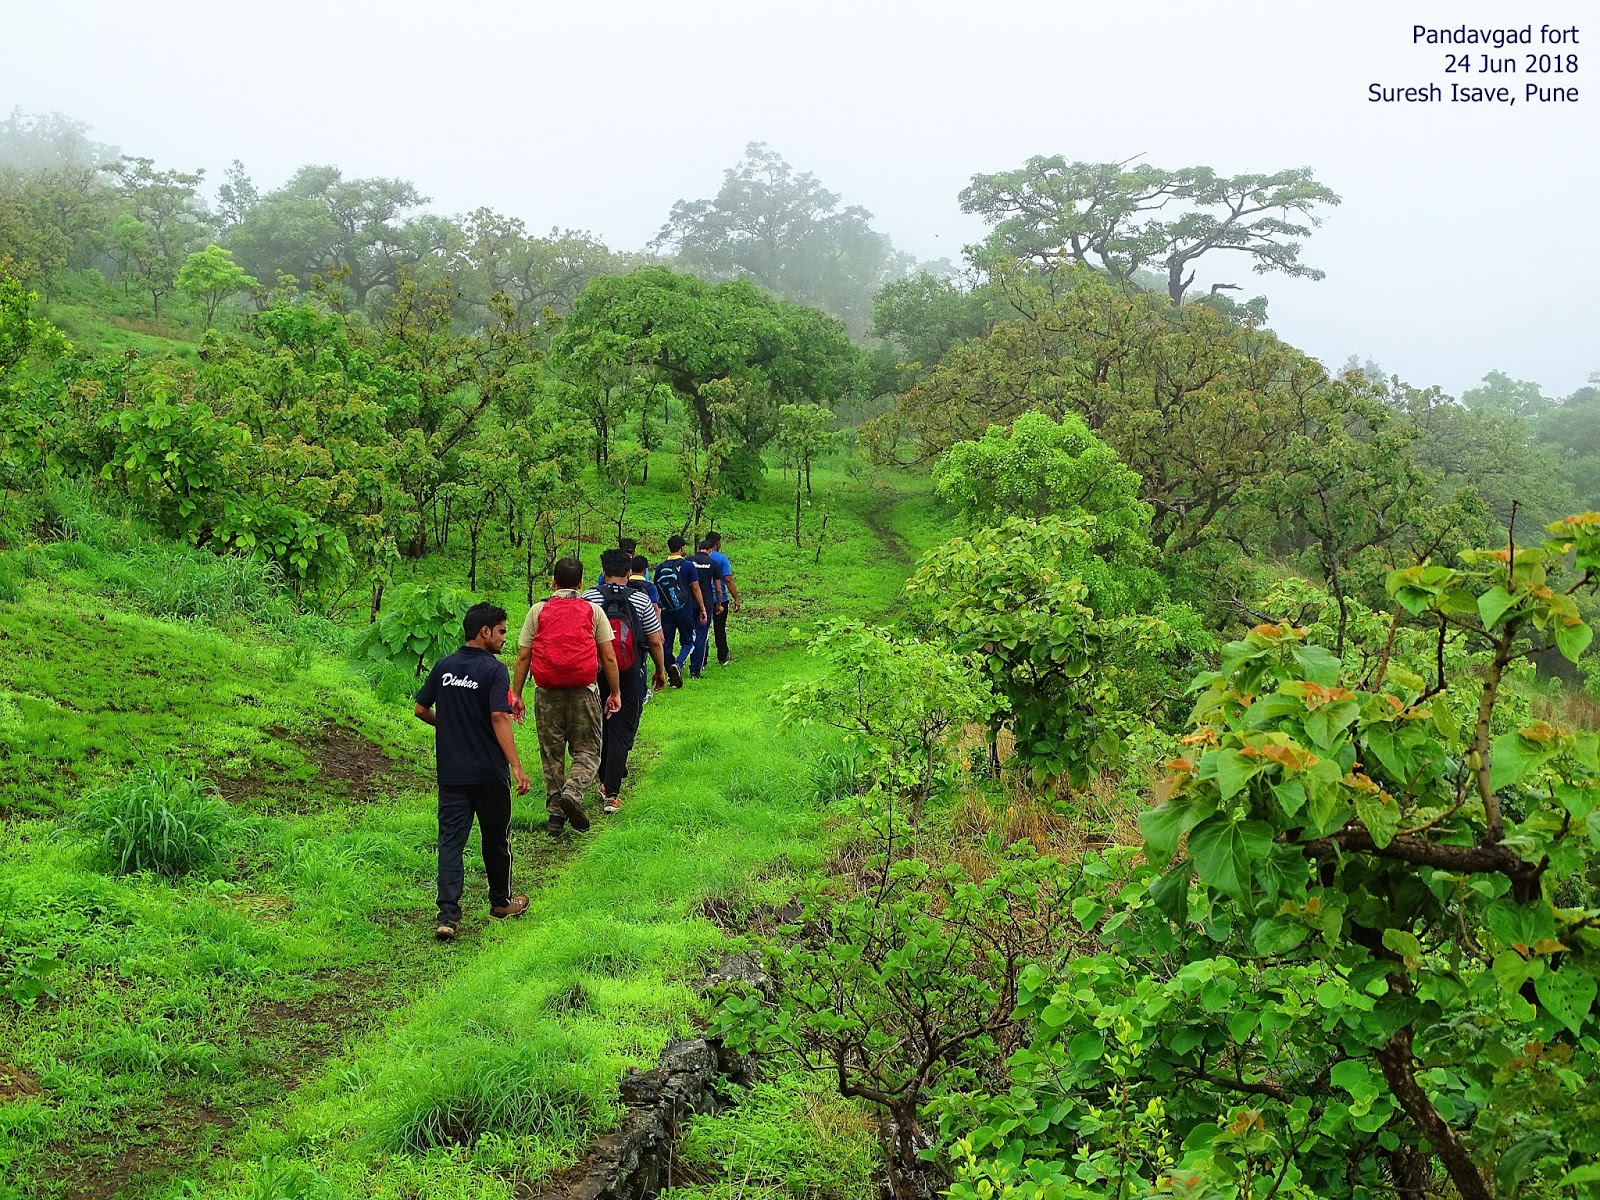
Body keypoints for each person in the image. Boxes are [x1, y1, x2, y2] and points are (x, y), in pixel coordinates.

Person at [414, 602, 533, 941]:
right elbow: (499, 716)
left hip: (452, 774)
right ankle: (500, 904)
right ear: (485, 632)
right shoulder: (494, 670)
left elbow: (421, 709)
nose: (504, 638)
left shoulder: (444, 666)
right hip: (489, 774)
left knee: (451, 843)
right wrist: (516, 764)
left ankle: (447, 916)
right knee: (496, 841)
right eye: (501, 632)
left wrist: (448, 725)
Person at [511, 557, 621, 837]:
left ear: (553, 582)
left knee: (551, 753)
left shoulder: (538, 611)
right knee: (589, 750)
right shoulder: (593, 611)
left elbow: (524, 654)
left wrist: (517, 694)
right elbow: (608, 655)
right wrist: (615, 692)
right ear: (581, 583)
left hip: (546, 692)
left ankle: (555, 816)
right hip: (584, 691)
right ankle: (572, 793)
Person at [584, 548, 667, 814]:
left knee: (599, 726)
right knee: (621, 729)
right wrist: (660, 670)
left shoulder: (589, 598)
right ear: (629, 572)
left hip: (595, 673)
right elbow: (655, 639)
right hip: (629, 672)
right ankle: (612, 792)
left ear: (603, 571)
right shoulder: (641, 600)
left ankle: (602, 777)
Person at [652, 535, 706, 688]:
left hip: (666, 610)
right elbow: (695, 587)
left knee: (666, 643)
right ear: (682, 548)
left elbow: (656, 590)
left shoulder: (660, 567)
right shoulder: (688, 566)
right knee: (689, 640)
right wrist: (702, 608)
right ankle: (679, 663)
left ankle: (670, 669)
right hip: (684, 609)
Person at [703, 531, 740, 666]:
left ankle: (702, 658)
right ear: (717, 543)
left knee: (703, 630)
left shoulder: (697, 558)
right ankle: (723, 656)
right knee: (719, 628)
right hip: (720, 599)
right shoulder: (721, 558)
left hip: (702, 599)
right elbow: (728, 579)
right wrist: (736, 597)